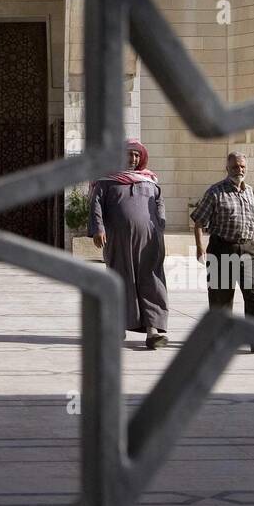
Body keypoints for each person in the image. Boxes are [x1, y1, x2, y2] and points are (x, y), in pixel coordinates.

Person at [88, 139, 168, 349]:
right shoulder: (106, 181)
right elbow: (95, 204)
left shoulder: (150, 181)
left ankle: (153, 331)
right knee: (119, 280)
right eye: (128, 154)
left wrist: (160, 227)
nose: (132, 159)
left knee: (151, 281)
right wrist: (98, 229)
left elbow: (159, 204)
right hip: (117, 241)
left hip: (148, 242)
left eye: (136, 155)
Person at [191, 152, 254, 352]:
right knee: (221, 297)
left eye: (242, 167)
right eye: (234, 167)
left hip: (249, 248)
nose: (239, 170)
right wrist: (200, 248)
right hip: (222, 248)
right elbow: (199, 222)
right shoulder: (215, 192)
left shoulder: (250, 191)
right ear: (227, 168)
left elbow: (252, 223)